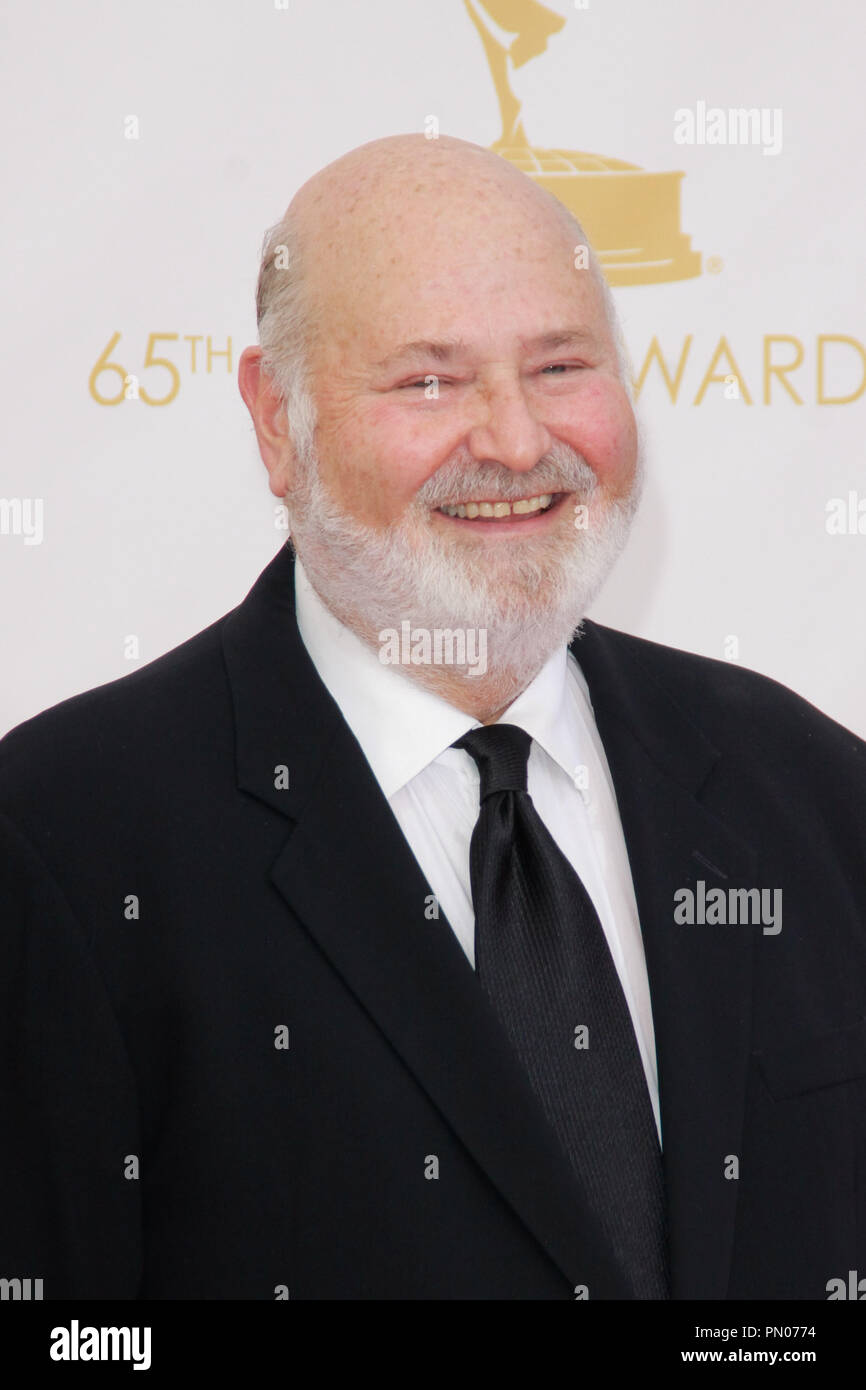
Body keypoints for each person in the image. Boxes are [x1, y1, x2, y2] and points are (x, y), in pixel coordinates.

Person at [2, 133, 865, 1301]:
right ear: (274, 421)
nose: (514, 441)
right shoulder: (62, 840)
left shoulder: (806, 787)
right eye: (428, 381)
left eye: (561, 367)